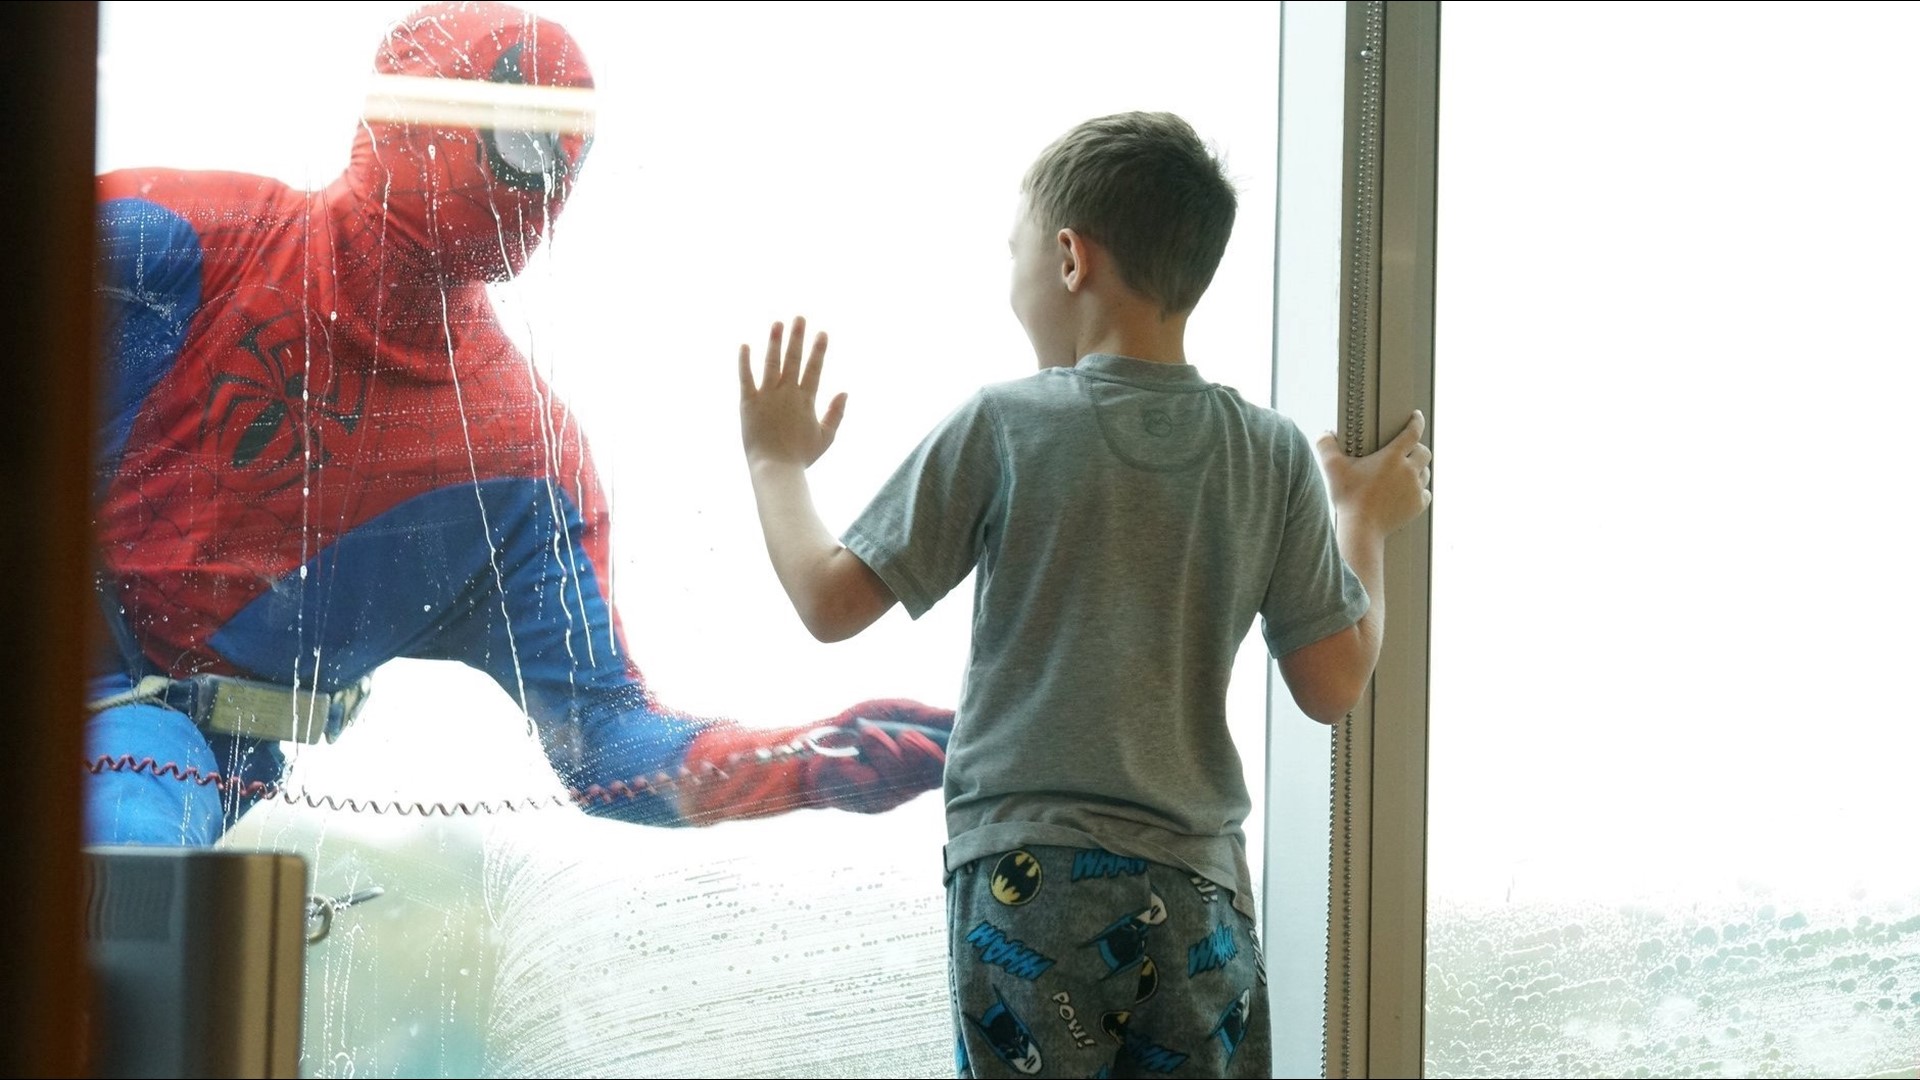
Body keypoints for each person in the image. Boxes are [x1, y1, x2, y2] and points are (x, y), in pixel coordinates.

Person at [85, 0, 951, 848]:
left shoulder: (519, 470)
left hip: (149, 756)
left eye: (566, 142)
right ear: (411, 107)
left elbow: (604, 740)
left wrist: (803, 761)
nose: (548, 168)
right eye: (525, 127)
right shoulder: (174, 241)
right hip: (129, 729)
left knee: (130, 838)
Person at [735, 111, 1432, 1078]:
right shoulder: (1268, 452)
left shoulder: (1006, 425)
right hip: (1194, 895)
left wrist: (776, 461)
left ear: (1069, 259)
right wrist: (1362, 522)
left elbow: (828, 600)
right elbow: (1335, 681)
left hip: (1028, 890)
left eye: (1013, 251)